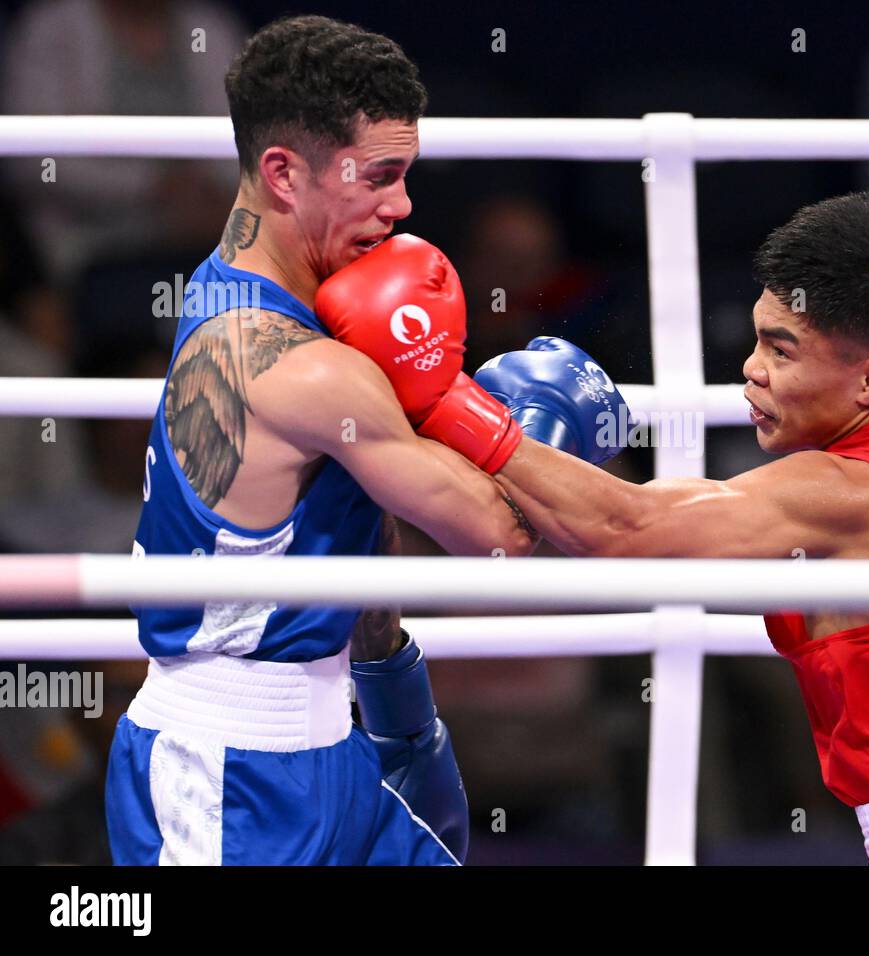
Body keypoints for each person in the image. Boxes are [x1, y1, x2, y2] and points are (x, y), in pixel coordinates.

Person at [349, 192, 869, 866]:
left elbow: (623, 528)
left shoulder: (841, 491)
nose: (750, 370)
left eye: (780, 351)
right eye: (757, 337)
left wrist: (443, 399)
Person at [105, 15, 559, 866]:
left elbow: (359, 534)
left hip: (336, 743)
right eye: (380, 177)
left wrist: (395, 701)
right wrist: (481, 413)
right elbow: (497, 538)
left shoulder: (269, 297)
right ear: (284, 172)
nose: (403, 205)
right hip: (228, 780)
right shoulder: (295, 365)